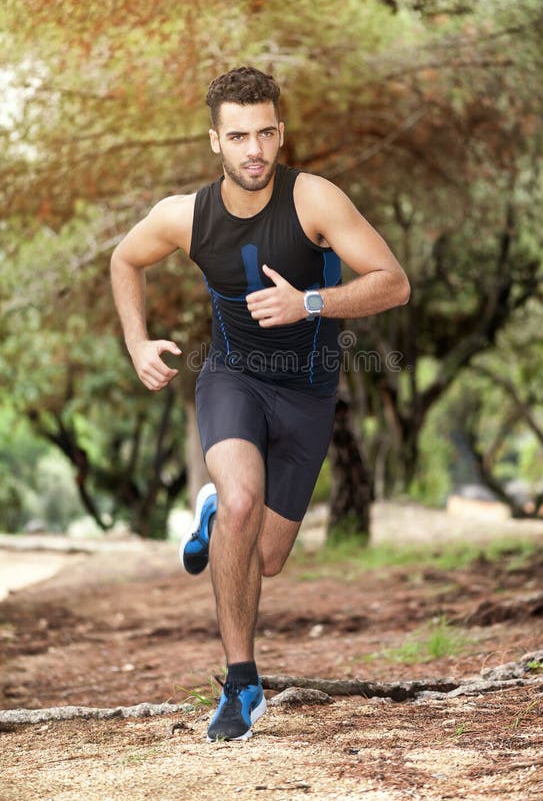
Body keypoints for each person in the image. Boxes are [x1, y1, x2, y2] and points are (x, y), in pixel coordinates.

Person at [110, 66, 410, 741]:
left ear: (280, 132)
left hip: (306, 393)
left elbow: (392, 283)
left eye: (265, 133)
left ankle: (215, 511)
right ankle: (241, 684)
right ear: (214, 139)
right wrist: (136, 343)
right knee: (243, 501)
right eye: (238, 135)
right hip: (232, 379)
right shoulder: (184, 216)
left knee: (266, 559)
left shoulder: (314, 200)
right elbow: (124, 260)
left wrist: (309, 301)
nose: (254, 149)